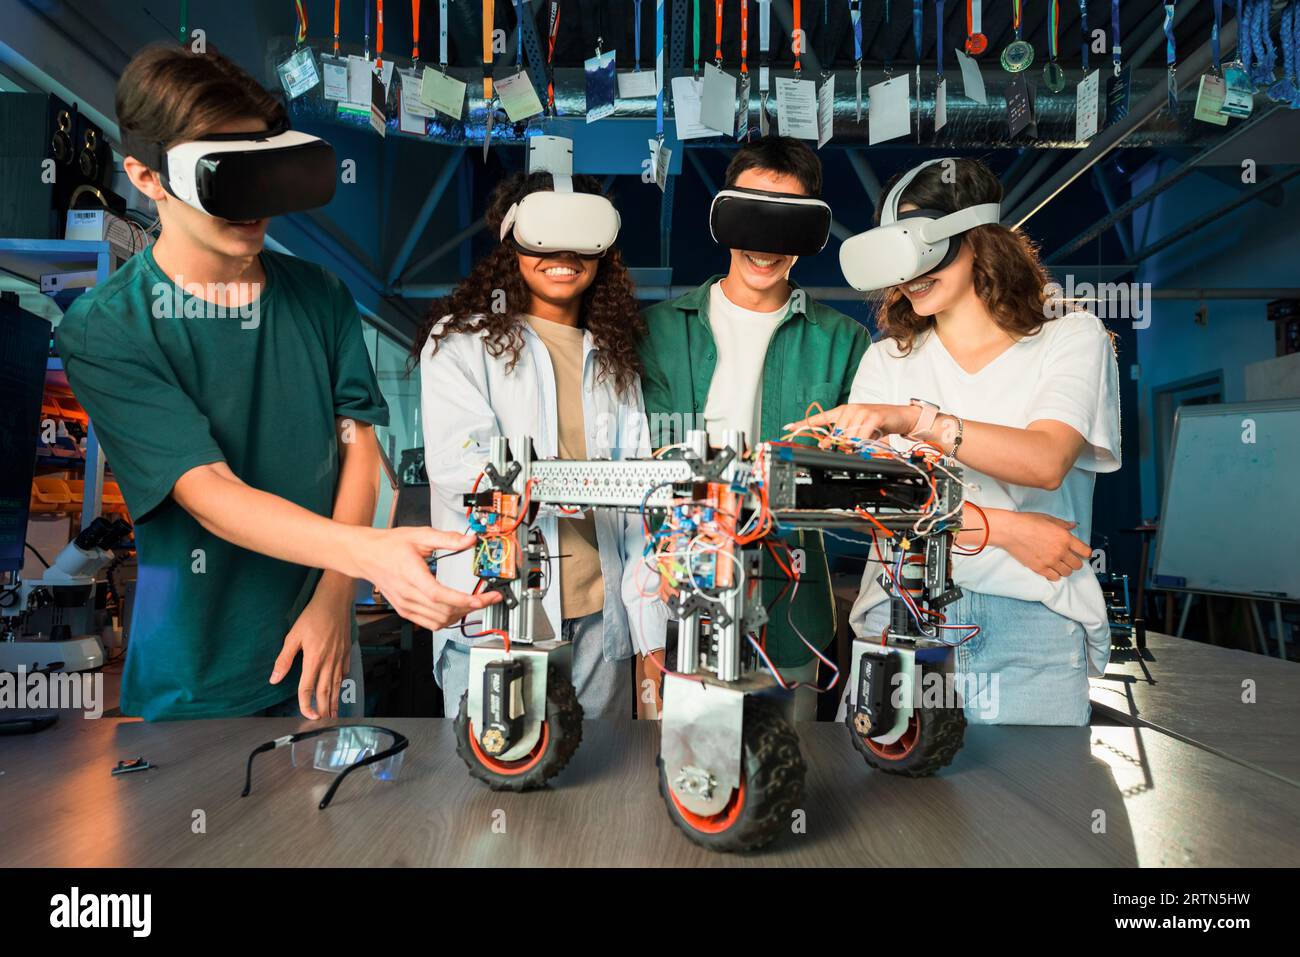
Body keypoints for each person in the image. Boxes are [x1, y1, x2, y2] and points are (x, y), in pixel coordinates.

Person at [55, 44, 495, 722]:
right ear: (147, 176)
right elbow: (211, 495)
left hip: (318, 659)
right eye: (223, 174)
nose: (254, 201)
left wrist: (333, 593)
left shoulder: (320, 294)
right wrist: (371, 553)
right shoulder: (106, 329)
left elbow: (359, 451)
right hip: (196, 684)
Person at [789, 157, 1121, 726]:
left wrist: (917, 421)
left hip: (1030, 625)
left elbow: (1044, 461)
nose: (909, 274)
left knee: (1035, 811)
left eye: (922, 246)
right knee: (888, 813)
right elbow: (874, 501)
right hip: (900, 618)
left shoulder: (1070, 338)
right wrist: (1004, 529)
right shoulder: (887, 360)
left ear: (977, 240)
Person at [415, 171, 666, 720]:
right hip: (494, 617)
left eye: (583, 240)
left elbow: (639, 505)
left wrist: (649, 630)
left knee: (592, 794)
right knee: (492, 783)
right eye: (546, 237)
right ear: (514, 244)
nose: (565, 254)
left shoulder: (615, 360)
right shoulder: (461, 342)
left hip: (601, 623)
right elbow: (463, 469)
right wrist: (580, 482)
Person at [639, 136, 870, 720]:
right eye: (754, 215)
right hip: (683, 595)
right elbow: (643, 463)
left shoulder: (845, 343)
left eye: (785, 223)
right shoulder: (657, 333)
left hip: (794, 607)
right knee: (687, 772)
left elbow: (852, 479)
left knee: (788, 776)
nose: (766, 246)